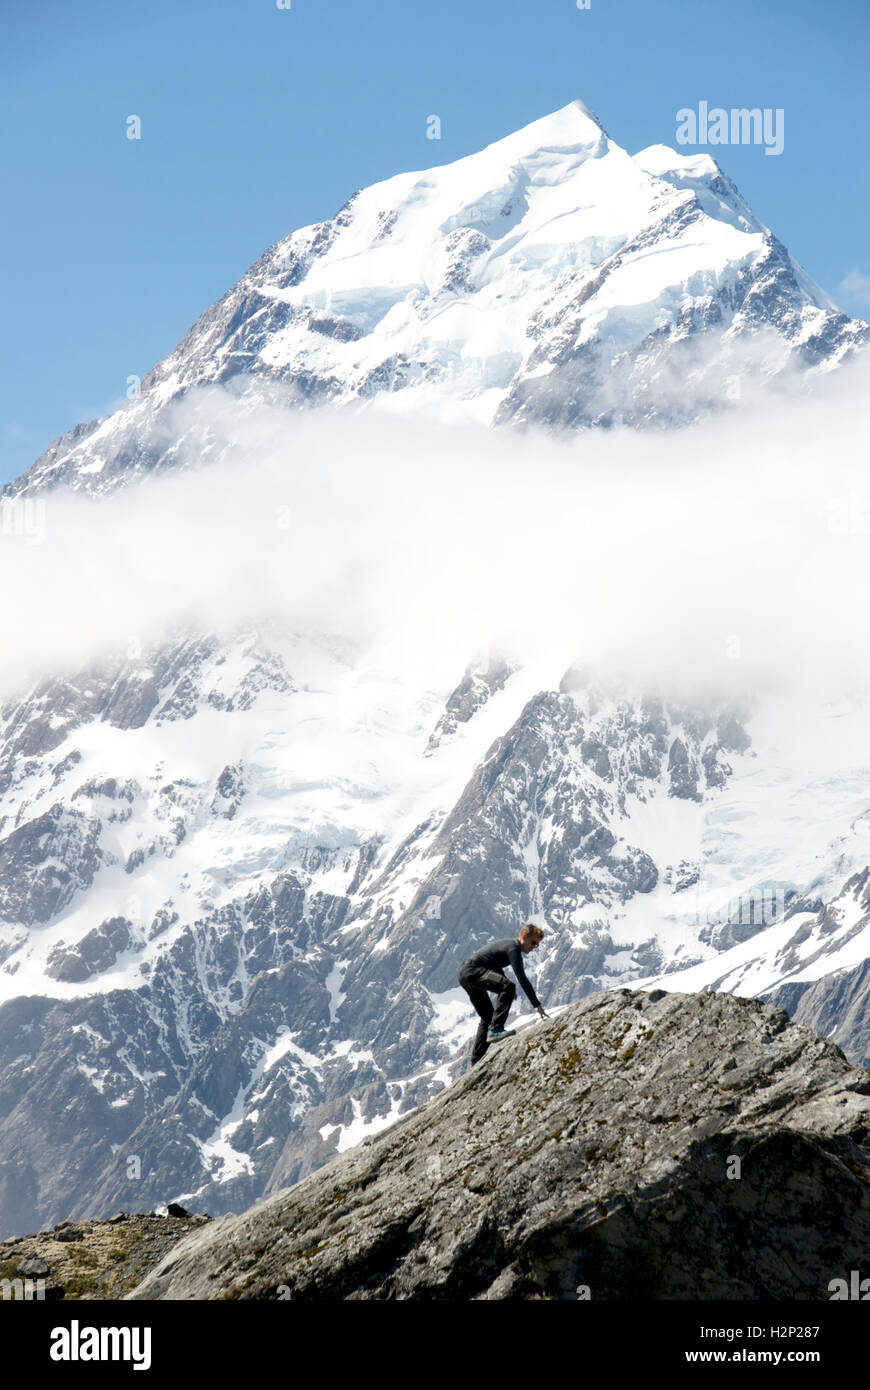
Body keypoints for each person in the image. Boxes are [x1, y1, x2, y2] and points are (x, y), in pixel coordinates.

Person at [458, 924, 548, 1066]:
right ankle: (496, 1029)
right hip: (472, 971)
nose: (534, 947)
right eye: (533, 942)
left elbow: (494, 965)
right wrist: (537, 1004)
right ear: (524, 937)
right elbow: (522, 978)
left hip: (465, 974)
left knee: (488, 1016)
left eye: (536, 945)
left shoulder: (508, 946)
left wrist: (505, 985)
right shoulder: (514, 949)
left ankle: (476, 1060)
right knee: (508, 987)